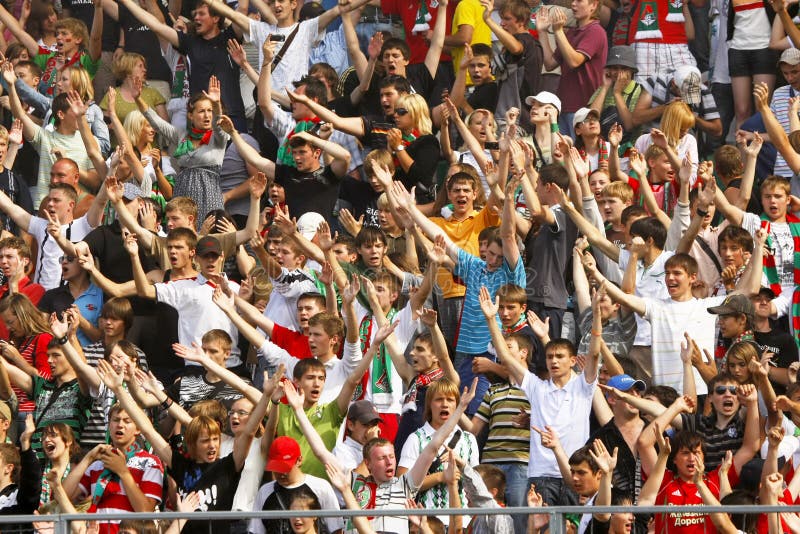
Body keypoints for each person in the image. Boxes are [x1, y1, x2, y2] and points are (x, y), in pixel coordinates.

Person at [98, 358, 276, 534]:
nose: (213, 445)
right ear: (192, 443)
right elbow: (147, 430)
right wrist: (118, 389)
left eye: (215, 439)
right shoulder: (181, 465)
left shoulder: (227, 467)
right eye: (205, 441)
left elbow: (249, 432)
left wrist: (267, 397)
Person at [479, 285, 600, 506]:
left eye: (560, 356)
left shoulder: (583, 387)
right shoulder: (537, 387)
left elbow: (594, 353)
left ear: (573, 361)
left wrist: (597, 315)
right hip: (540, 476)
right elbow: (506, 356)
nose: (554, 361)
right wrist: (490, 319)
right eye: (550, 357)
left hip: (575, 473)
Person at [537, 0, 608, 136]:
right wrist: (542, 32)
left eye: (579, 0)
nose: (573, 4)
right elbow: (550, 63)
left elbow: (574, 61)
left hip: (583, 109)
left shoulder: (595, 31)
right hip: (564, 106)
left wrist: (558, 31)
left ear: (593, 5)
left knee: (577, 149)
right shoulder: (572, 33)